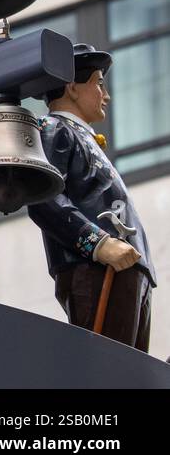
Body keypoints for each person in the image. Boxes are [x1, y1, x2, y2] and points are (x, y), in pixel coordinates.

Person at [28, 42, 156, 351]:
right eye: (99, 83)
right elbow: (43, 200)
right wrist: (98, 243)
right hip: (95, 266)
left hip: (127, 267)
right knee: (109, 363)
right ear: (72, 87)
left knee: (130, 367)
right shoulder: (53, 129)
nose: (106, 95)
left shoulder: (83, 137)